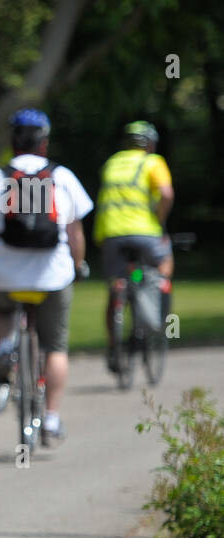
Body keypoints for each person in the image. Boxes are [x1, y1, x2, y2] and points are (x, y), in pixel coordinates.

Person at [0, 108, 91, 444]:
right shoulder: (62, 176)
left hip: (6, 277)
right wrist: (78, 264)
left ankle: (6, 344)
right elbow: (75, 232)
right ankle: (51, 419)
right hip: (53, 276)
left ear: (12, 141)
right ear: (45, 141)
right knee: (55, 347)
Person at [94, 121, 175, 370]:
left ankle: (113, 343)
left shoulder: (112, 163)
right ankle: (155, 308)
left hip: (110, 234)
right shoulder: (152, 162)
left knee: (117, 284)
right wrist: (159, 221)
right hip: (144, 233)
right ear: (149, 144)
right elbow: (166, 194)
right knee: (165, 260)